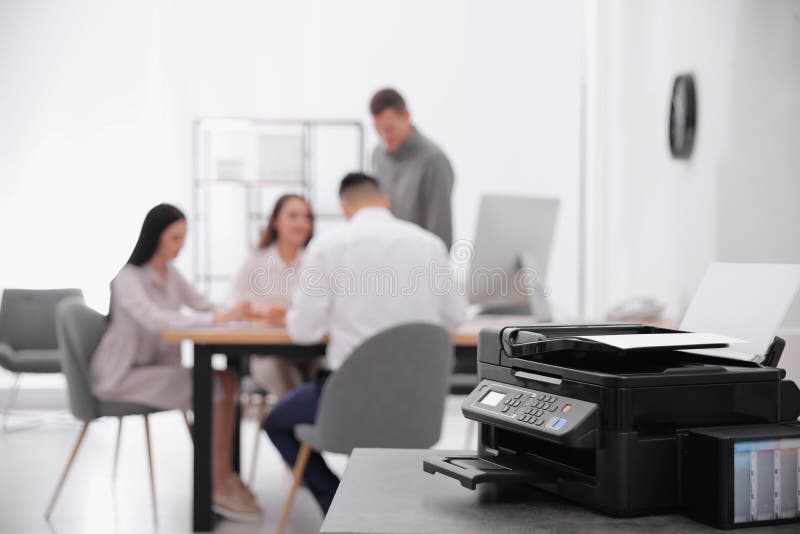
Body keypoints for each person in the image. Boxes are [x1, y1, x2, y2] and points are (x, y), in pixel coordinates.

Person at [264, 173, 467, 514]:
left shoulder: (327, 246)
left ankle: (335, 502)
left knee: (276, 422)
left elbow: (303, 331)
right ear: (385, 201)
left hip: (349, 397)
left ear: (345, 208)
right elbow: (455, 316)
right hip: (416, 400)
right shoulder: (429, 244)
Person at [90, 203, 262, 522]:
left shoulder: (169, 273)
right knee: (215, 385)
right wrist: (214, 319)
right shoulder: (128, 277)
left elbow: (202, 303)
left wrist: (236, 310)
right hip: (123, 376)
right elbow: (155, 320)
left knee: (228, 380)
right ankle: (217, 484)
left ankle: (224, 476)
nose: (181, 246)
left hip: (154, 370)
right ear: (155, 237)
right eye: (175, 238)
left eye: (184, 238)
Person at [230, 194, 323, 398]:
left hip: (309, 351)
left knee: (328, 375)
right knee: (286, 382)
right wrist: (259, 312)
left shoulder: (315, 262)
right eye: (293, 216)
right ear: (275, 222)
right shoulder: (256, 260)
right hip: (267, 353)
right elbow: (232, 303)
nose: (301, 223)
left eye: (307, 217)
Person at [370, 87, 455, 249]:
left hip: (419, 258)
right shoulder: (377, 155)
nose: (384, 137)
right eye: (378, 130)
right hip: (384, 255)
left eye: (389, 129)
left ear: (406, 116)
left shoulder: (434, 162)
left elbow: (441, 234)